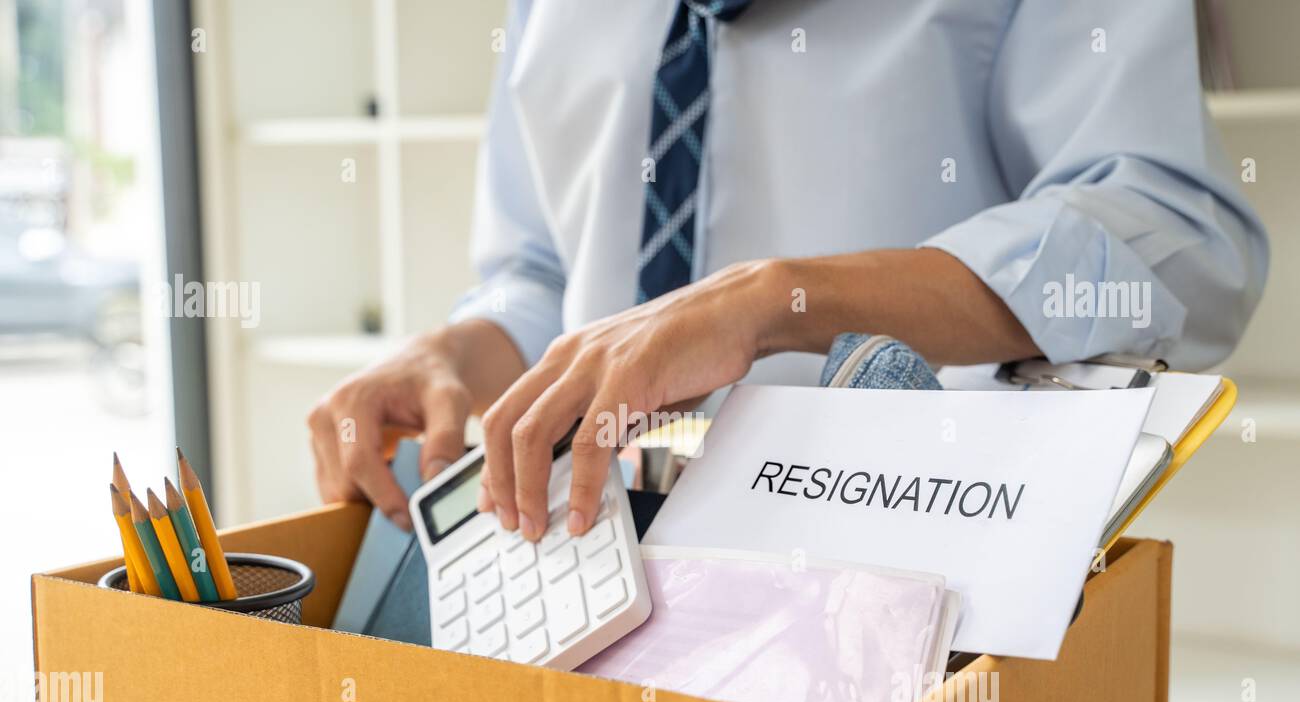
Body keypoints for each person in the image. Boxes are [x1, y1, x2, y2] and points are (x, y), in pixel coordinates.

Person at [309, 0, 1267, 541]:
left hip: (908, 570)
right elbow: (545, 270)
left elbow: (1178, 233)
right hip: (591, 562)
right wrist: (456, 352)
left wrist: (774, 305)